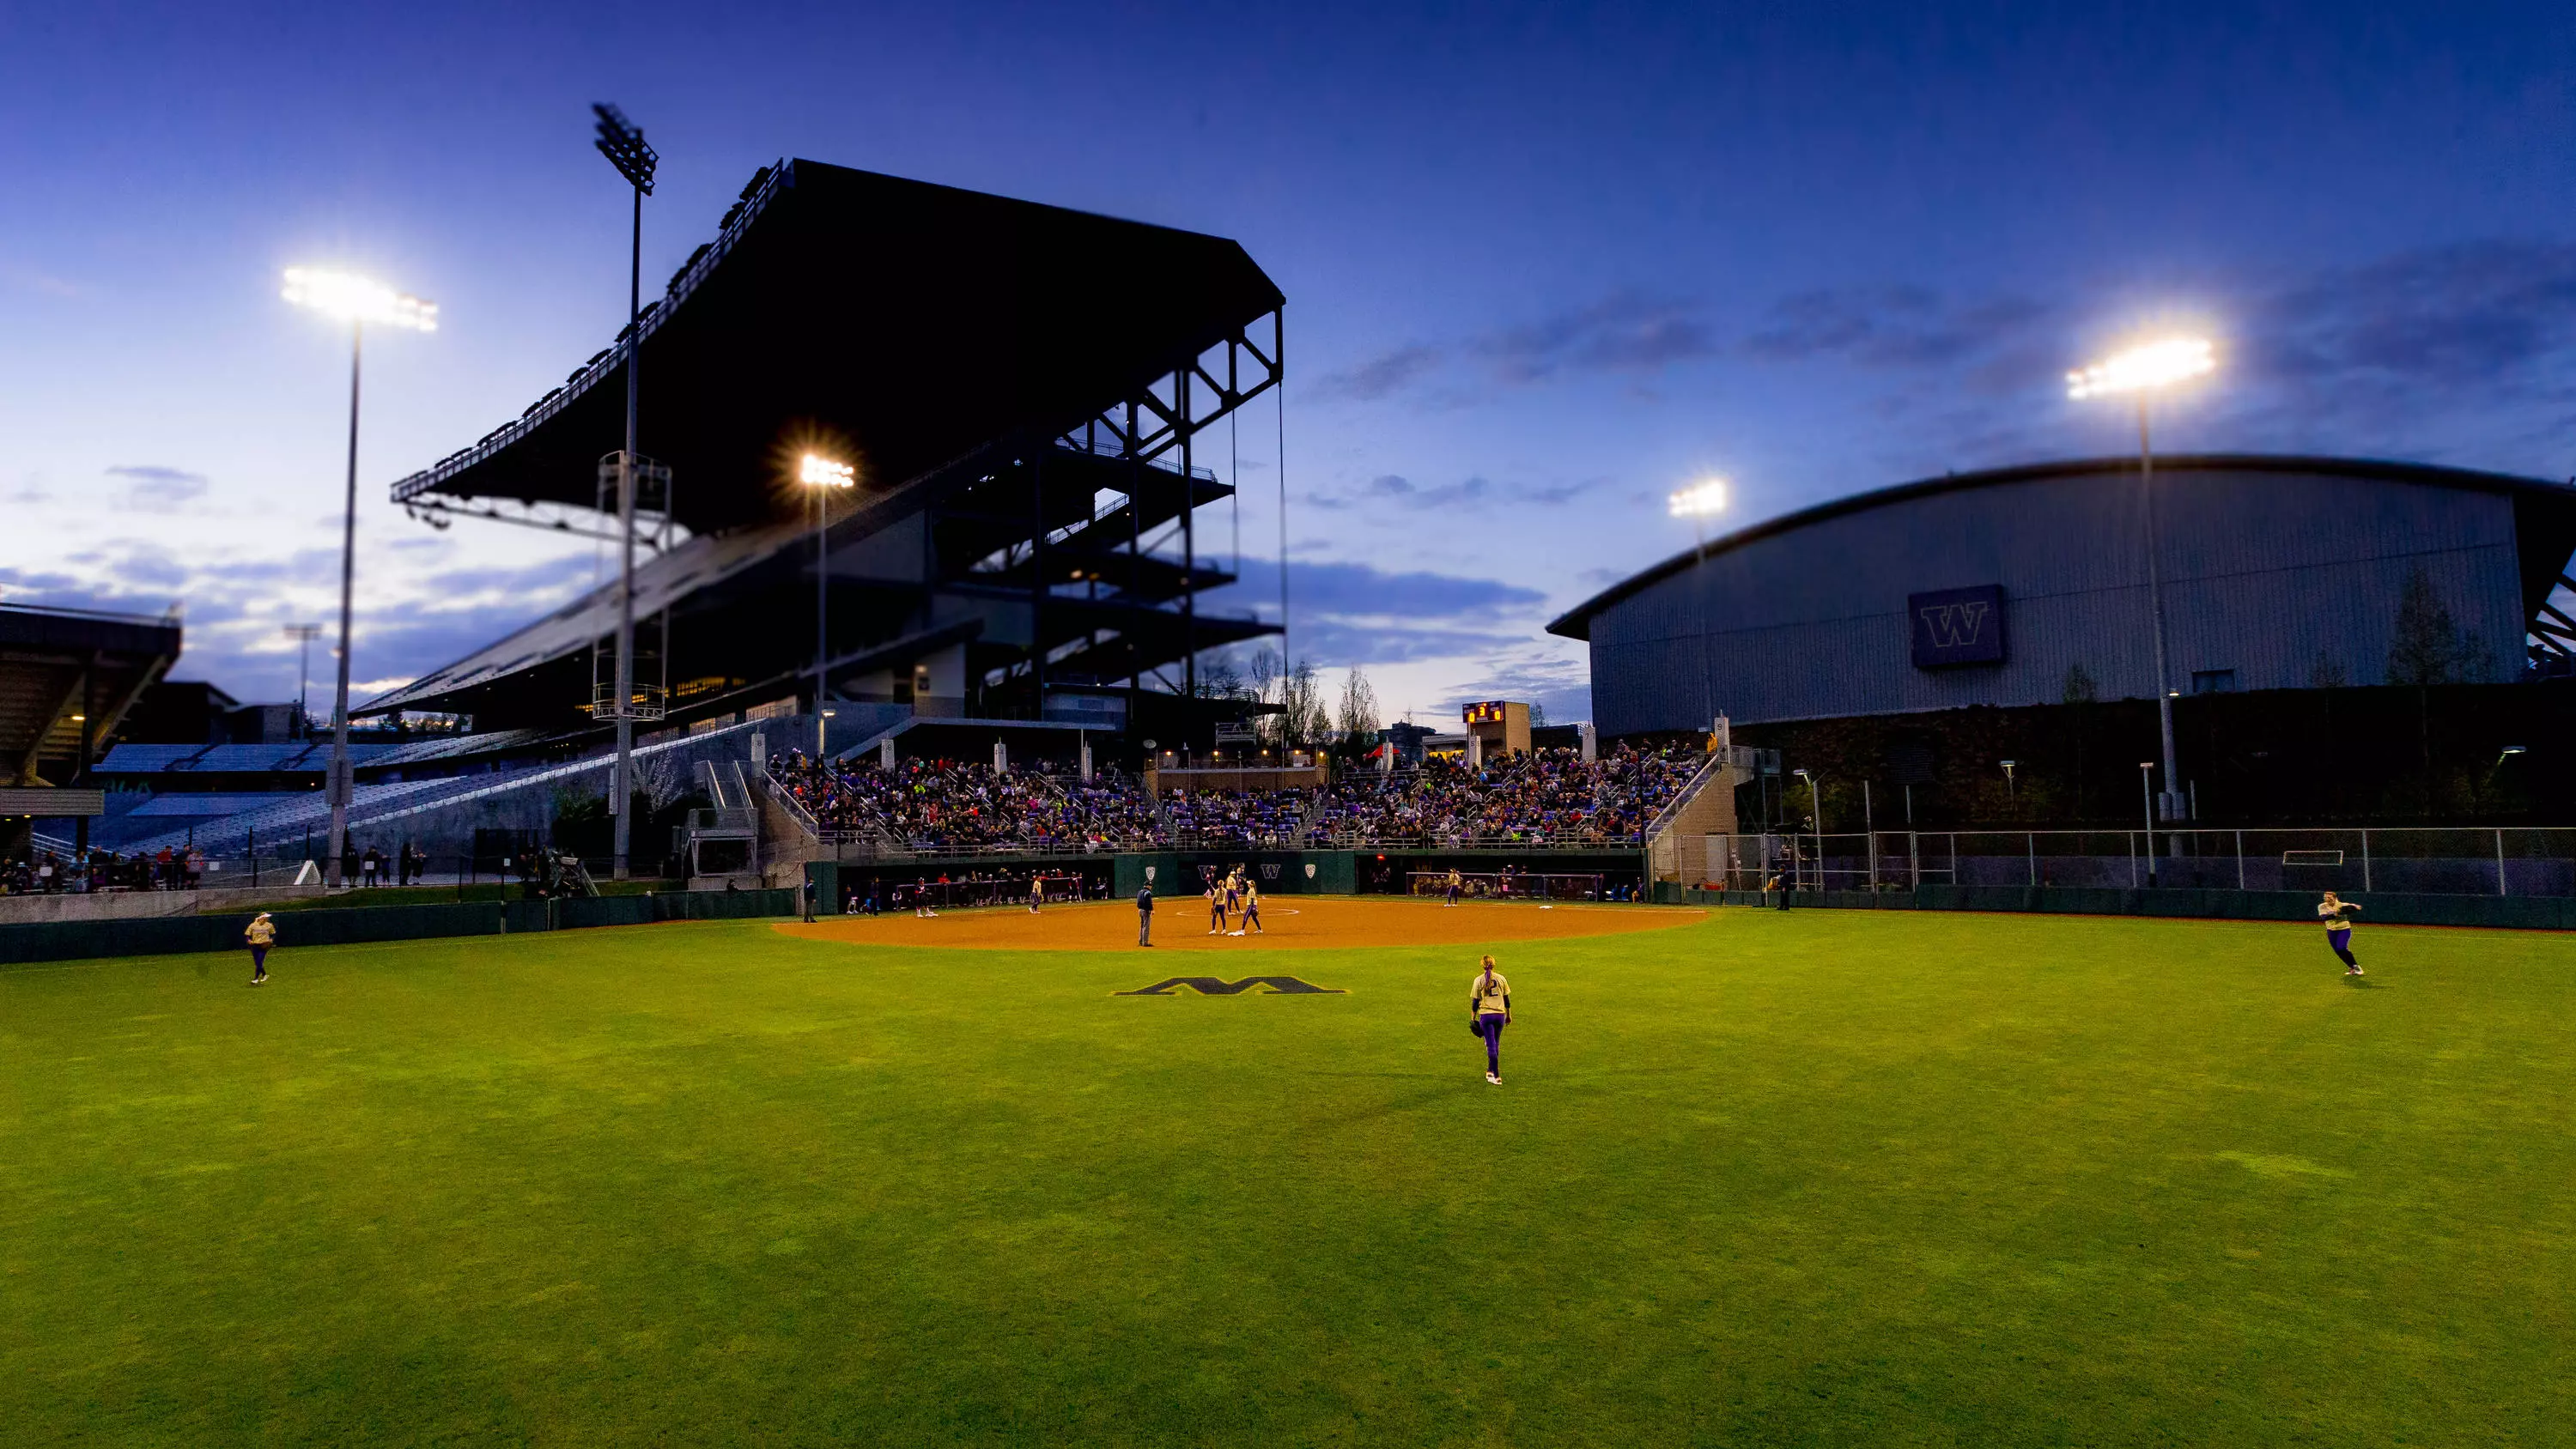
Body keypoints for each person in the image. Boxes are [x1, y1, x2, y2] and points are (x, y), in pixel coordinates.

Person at [1467, 954, 1511, 1084]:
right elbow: (1507, 1000)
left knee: (1490, 1045)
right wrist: (1508, 1015)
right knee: (1495, 1043)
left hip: (1486, 1016)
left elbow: (1475, 1002)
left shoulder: (1478, 980)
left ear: (1482, 965)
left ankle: (1497, 1076)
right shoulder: (1502, 979)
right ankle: (1490, 1071)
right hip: (1500, 1016)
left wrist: (1473, 1017)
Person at [2319, 891, 2363, 976]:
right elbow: (2324, 918)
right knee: (2338, 951)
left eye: (2329, 897)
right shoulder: (2322, 906)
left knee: (2342, 947)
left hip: (2344, 929)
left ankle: (2357, 968)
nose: (2327, 899)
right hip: (2331, 931)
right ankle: (2352, 968)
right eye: (2325, 897)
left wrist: (2356, 907)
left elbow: (2354, 907)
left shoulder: (2342, 905)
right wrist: (2335, 914)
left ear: (2335, 898)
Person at [245, 912, 276, 985]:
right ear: (260, 918)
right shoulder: (253, 925)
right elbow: (247, 935)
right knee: (257, 962)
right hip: (255, 945)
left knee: (259, 961)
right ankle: (264, 975)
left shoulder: (269, 925)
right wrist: (249, 940)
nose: (266, 919)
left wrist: (272, 939)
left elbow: (274, 934)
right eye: (265, 917)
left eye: (267, 918)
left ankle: (255, 979)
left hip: (264, 945)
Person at [1136, 882, 1154, 947]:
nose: (1151, 887)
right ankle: (1145, 943)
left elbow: (1138, 902)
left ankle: (1140, 942)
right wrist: (1151, 909)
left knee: (1141, 926)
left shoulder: (1140, 892)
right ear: (1147, 886)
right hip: (1145, 911)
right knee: (1146, 927)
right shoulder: (1148, 893)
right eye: (1150, 885)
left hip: (1140, 910)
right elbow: (1149, 902)